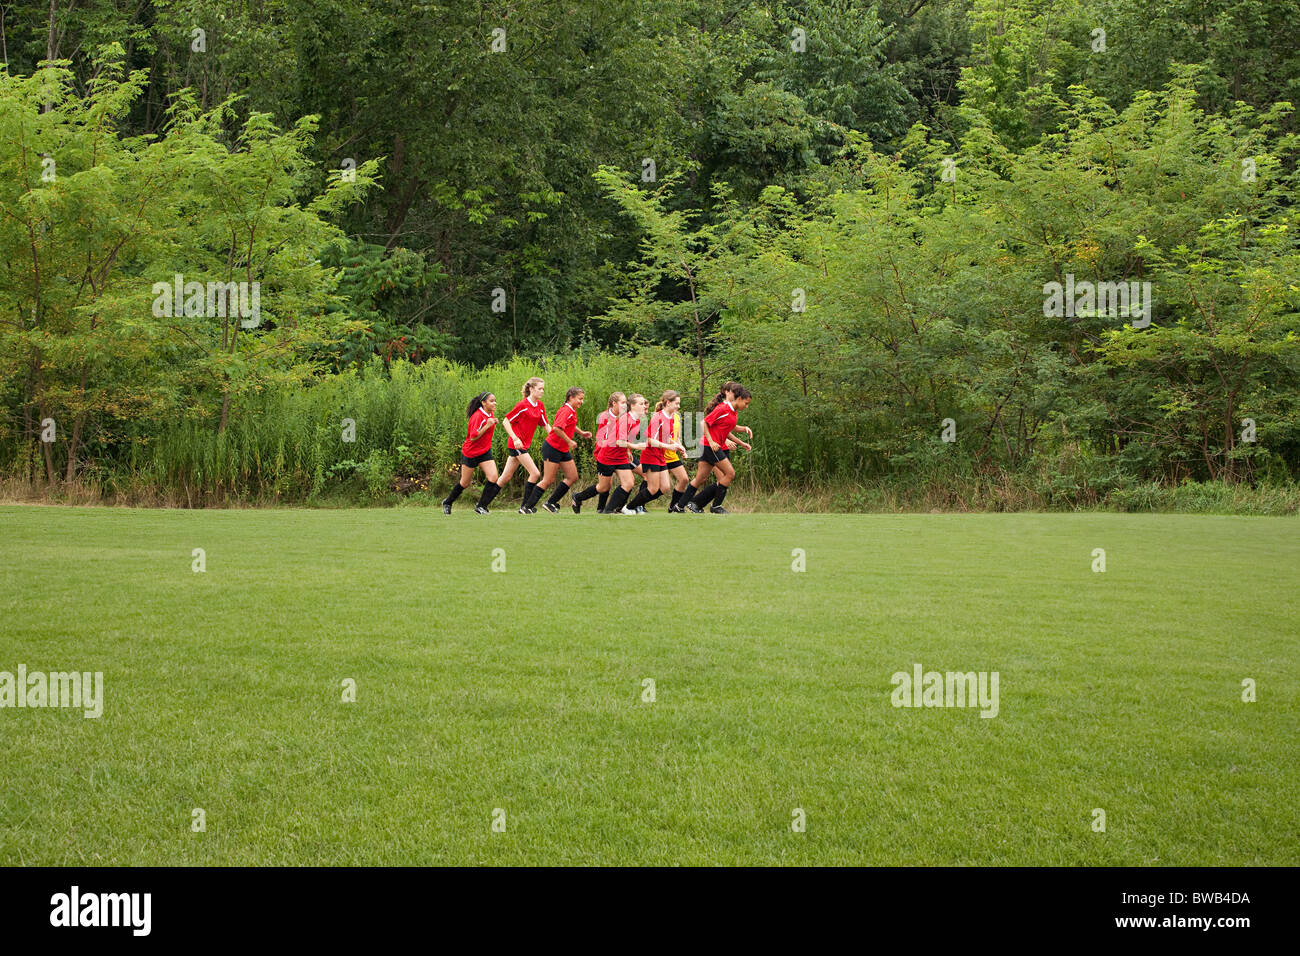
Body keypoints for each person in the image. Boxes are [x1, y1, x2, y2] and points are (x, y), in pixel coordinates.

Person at [681, 384, 753, 514]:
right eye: (746, 403)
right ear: (739, 398)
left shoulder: (733, 411)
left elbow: (729, 427)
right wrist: (711, 441)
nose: (746, 407)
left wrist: (742, 439)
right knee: (730, 474)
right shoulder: (723, 408)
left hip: (713, 447)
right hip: (710, 447)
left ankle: (685, 505)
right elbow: (704, 423)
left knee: (701, 478)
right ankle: (715, 506)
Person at [492, 376, 551, 514]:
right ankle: (525, 507)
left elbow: (546, 425)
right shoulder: (522, 405)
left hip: (524, 445)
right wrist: (515, 438)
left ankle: (482, 504)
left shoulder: (540, 406)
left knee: (504, 478)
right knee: (535, 473)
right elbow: (506, 421)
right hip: (517, 445)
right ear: (531, 389)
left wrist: (557, 438)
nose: (542, 391)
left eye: (543, 389)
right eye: (540, 389)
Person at [627, 390, 687, 512]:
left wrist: (677, 445)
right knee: (653, 488)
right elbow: (650, 440)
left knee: (665, 488)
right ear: (668, 403)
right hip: (650, 455)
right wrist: (669, 447)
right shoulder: (657, 417)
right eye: (677, 403)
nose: (679, 406)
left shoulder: (670, 417)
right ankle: (629, 507)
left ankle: (636, 505)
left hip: (660, 456)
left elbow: (667, 437)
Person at [537, 387, 592, 512]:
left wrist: (582, 433)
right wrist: (569, 441)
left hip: (562, 449)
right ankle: (527, 506)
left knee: (572, 477)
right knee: (548, 480)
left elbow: (570, 424)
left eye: (583, 399)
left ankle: (550, 503)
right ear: (571, 398)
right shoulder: (566, 410)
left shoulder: (572, 410)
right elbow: (556, 428)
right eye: (580, 399)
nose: (582, 402)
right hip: (552, 447)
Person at [442, 392, 498, 514]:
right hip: (471, 453)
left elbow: (487, 425)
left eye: (495, 401)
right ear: (483, 403)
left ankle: (481, 506)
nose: (495, 403)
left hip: (484, 452)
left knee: (493, 477)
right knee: (465, 483)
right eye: (491, 401)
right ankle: (448, 502)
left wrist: (492, 422)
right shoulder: (477, 416)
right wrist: (488, 425)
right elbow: (473, 437)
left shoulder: (489, 413)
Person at [571, 393, 624, 514]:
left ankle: (601, 508)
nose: (625, 405)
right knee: (603, 485)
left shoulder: (621, 417)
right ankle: (578, 497)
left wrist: (627, 450)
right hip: (603, 453)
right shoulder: (605, 416)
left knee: (607, 485)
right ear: (614, 403)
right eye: (623, 402)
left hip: (616, 454)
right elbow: (601, 437)